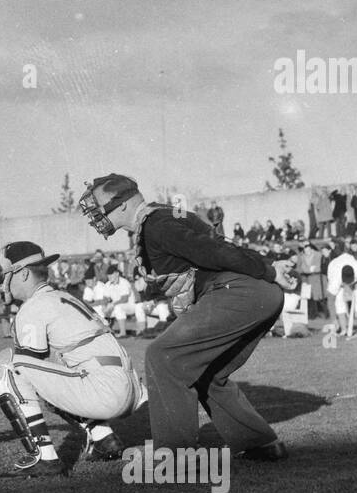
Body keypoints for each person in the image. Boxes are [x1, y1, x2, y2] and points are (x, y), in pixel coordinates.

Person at [78, 174, 297, 460]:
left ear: (122, 205)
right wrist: (267, 268)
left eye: (99, 206)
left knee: (162, 357)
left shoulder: (157, 224)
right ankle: (259, 444)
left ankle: (176, 459)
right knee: (207, 373)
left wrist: (269, 269)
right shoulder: (163, 216)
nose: (95, 215)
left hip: (240, 291)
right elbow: (217, 242)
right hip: (254, 293)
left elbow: (213, 250)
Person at [0, 241, 144, 476]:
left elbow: (18, 368)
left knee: (3, 365)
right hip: (125, 385)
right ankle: (103, 439)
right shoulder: (63, 297)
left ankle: (43, 458)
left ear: (23, 273)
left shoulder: (34, 306)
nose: (0, 282)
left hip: (104, 389)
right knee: (41, 373)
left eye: (5, 274)